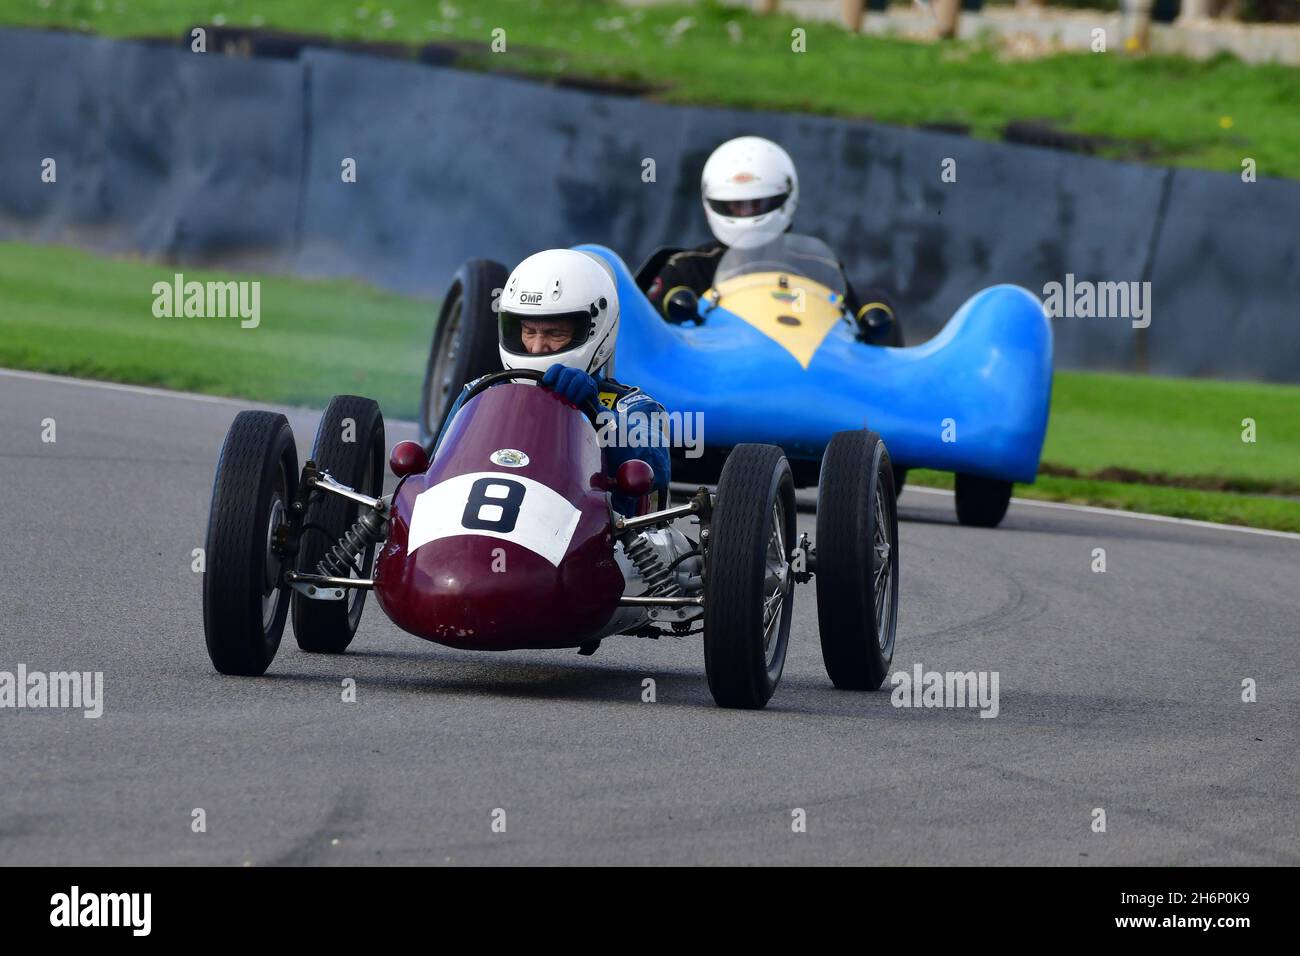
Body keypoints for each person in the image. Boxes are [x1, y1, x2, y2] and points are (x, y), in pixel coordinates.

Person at [438, 248, 670, 516]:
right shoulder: (479, 393)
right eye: (529, 331)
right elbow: (438, 471)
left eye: (555, 333)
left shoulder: (630, 406)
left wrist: (595, 414)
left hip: (591, 539)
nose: (537, 347)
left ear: (596, 328)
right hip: (484, 528)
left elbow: (657, 469)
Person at [647, 135, 900, 344]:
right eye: (735, 206)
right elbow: (650, 342)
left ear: (785, 198)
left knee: (878, 305)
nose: (745, 214)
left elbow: (852, 335)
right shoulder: (685, 269)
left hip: (808, 371)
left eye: (756, 204)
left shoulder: (819, 266)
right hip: (712, 376)